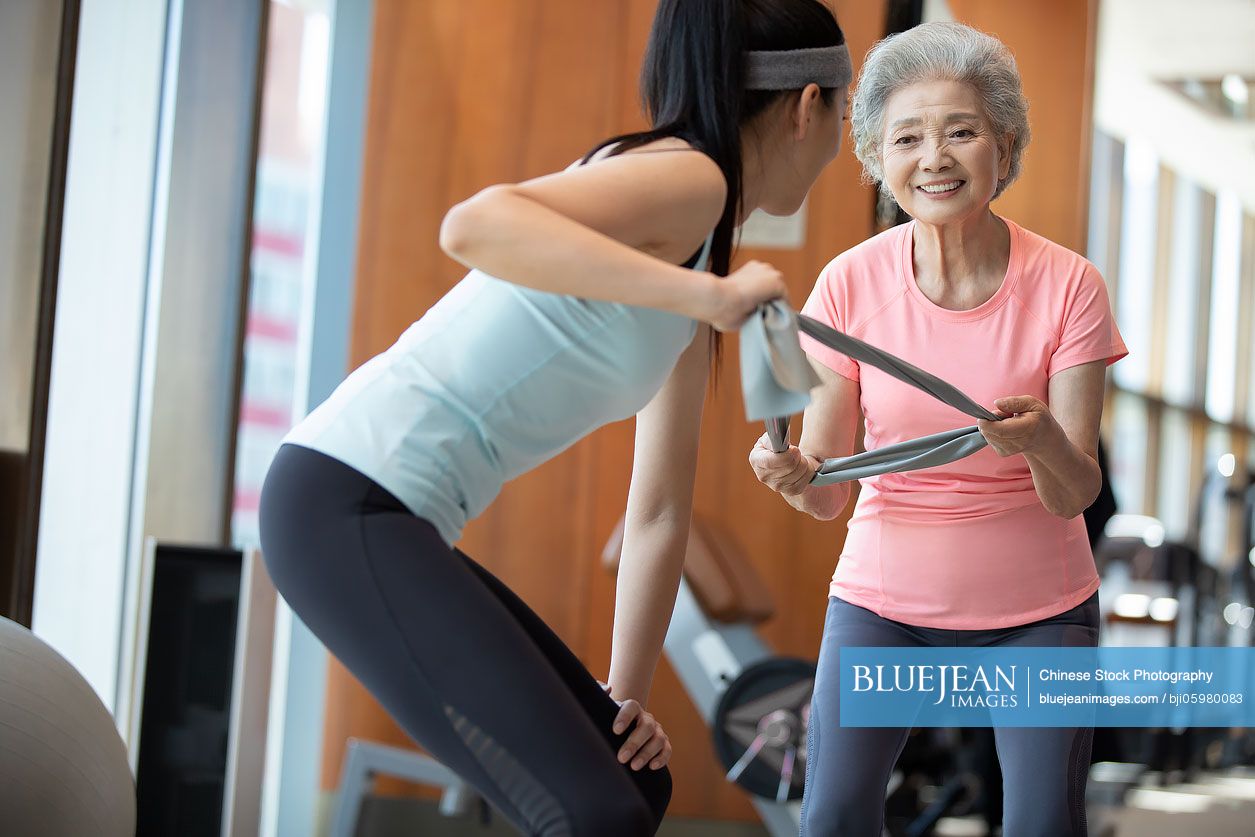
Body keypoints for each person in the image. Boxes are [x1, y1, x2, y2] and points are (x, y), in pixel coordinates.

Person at [259, 1, 851, 834]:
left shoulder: (701, 245)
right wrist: (710, 296)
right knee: (596, 813)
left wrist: (625, 699)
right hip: (345, 496)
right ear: (806, 107)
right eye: (846, 113)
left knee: (630, 787)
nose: (839, 147)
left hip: (385, 511)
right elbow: (474, 224)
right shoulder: (691, 179)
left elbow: (657, 511)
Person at [748, 21, 1128, 837]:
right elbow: (824, 492)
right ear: (877, 159)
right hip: (884, 602)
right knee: (835, 817)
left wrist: (1039, 442)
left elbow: (1075, 494)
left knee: (1040, 824)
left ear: (1005, 143)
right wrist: (795, 475)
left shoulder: (1068, 285)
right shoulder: (850, 281)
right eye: (908, 137)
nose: (935, 157)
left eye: (961, 131)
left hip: (1038, 611)